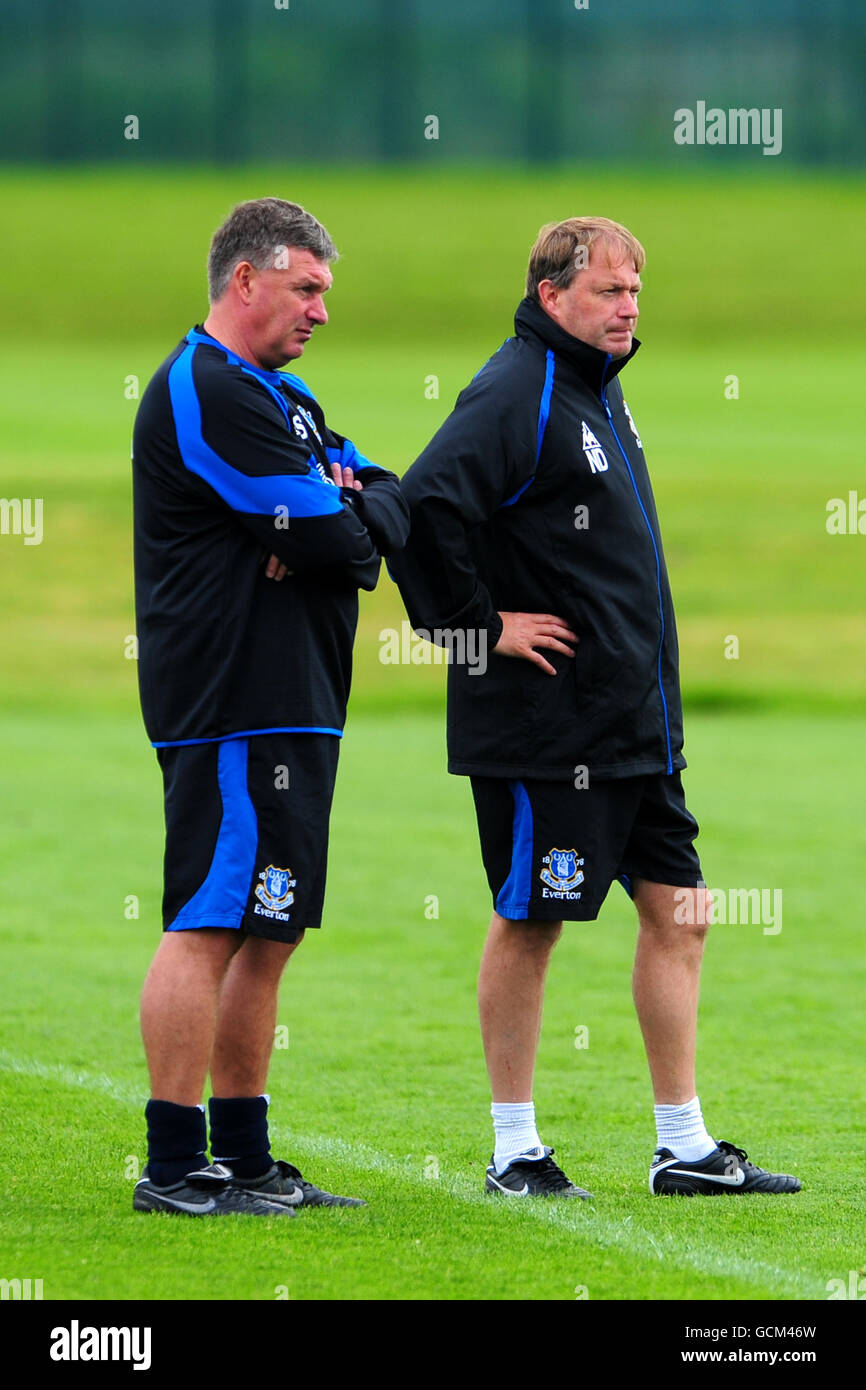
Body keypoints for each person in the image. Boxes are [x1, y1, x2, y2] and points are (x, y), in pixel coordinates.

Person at [389, 217, 800, 1199]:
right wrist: (475, 628)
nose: (627, 308)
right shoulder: (514, 392)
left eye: (634, 292)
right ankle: (512, 1149)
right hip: (548, 729)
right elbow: (420, 509)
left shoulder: (596, 392)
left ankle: (682, 1145)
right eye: (609, 291)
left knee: (681, 913)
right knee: (531, 919)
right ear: (551, 296)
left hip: (631, 726)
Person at [131, 196, 409, 1216]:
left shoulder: (281, 399)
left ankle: (245, 1158)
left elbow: (377, 499)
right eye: (308, 288)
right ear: (244, 279)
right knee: (210, 919)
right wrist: (330, 524)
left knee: (270, 925)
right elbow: (340, 539)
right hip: (231, 697)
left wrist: (340, 514)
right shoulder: (207, 391)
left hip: (298, 699)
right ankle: (172, 1164)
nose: (321, 312)